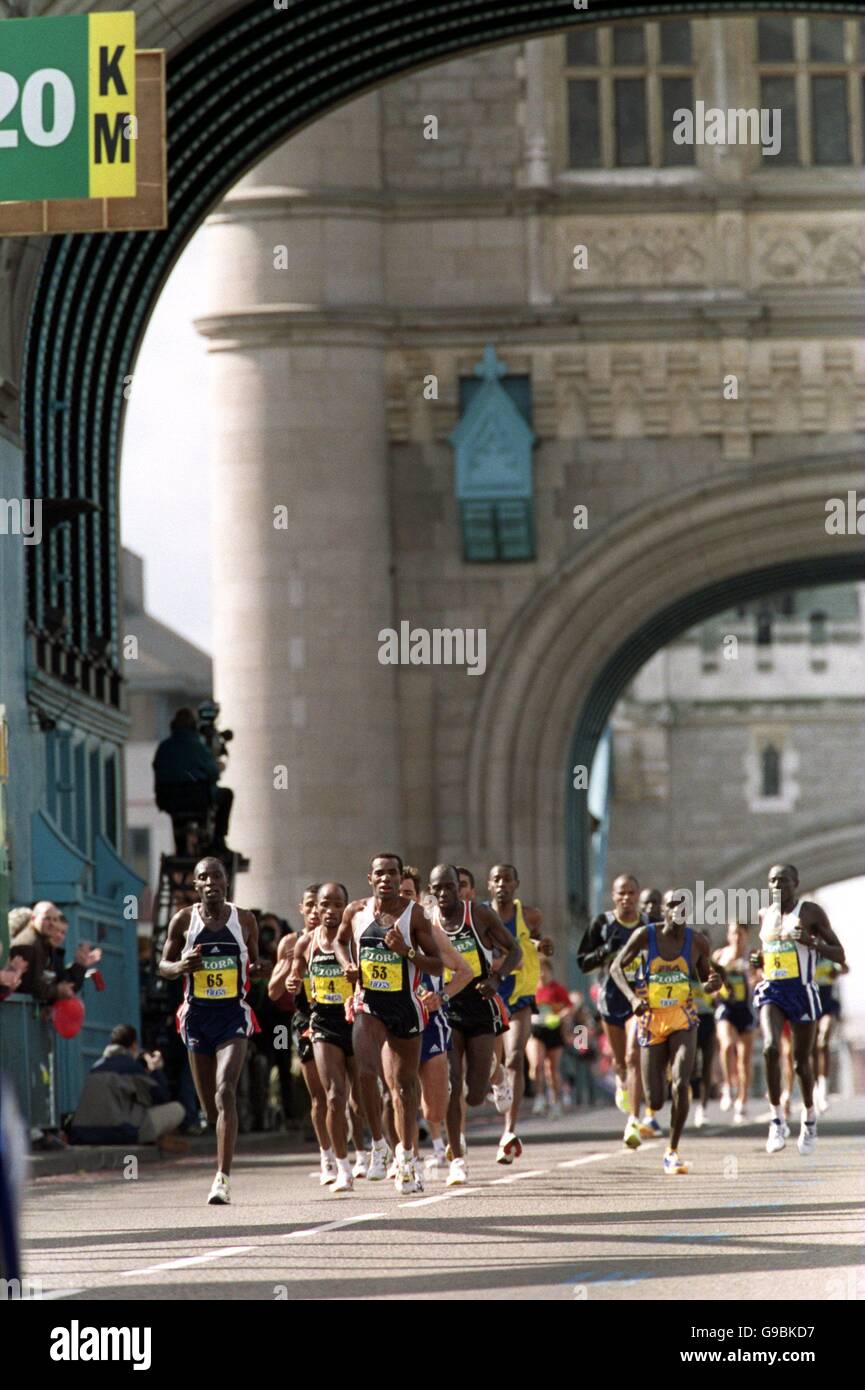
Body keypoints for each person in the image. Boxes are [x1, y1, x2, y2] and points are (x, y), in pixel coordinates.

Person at [333, 853, 443, 1195]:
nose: (386, 879)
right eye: (379, 873)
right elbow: (339, 942)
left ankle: (407, 1158)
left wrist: (407, 952)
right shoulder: (355, 911)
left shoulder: (416, 916)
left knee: (405, 1089)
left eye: (392, 873)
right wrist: (348, 964)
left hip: (405, 1008)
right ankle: (378, 1145)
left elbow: (438, 966)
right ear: (370, 878)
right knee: (365, 1072)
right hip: (369, 1003)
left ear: (399, 878)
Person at [159, 857, 262, 1204]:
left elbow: (256, 964)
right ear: (196, 886)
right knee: (211, 1109)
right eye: (203, 877)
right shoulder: (183, 920)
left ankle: (222, 1179)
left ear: (225, 881)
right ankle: (222, 1145)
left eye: (216, 875)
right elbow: (163, 966)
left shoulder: (244, 919)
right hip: (197, 1019)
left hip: (232, 1016)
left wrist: (261, 968)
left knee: (225, 1091)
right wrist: (181, 965)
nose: (211, 882)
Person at [611, 889, 725, 1175]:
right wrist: (633, 999)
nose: (677, 910)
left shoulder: (697, 942)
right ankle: (650, 1109)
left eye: (683, 906)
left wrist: (713, 982)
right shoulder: (645, 936)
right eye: (672, 905)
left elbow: (706, 977)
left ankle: (672, 1151)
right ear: (662, 910)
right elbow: (615, 968)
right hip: (650, 1020)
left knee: (680, 1082)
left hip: (682, 1019)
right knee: (656, 1099)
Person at [427, 864, 520, 1186]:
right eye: (436, 888)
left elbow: (515, 950)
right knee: (452, 1083)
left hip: (480, 1004)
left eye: (448, 887)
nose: (442, 894)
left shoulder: (478, 915)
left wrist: (496, 977)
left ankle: (496, 1072)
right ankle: (458, 1159)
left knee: (476, 1096)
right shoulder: (429, 922)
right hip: (448, 1007)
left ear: (460, 887)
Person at [752, 864, 846, 1156]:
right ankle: (777, 1119)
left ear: (795, 883)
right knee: (770, 1048)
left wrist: (812, 942)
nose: (777, 885)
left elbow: (840, 954)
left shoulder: (810, 913)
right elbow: (768, 954)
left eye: (783, 880)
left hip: (803, 992)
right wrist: (758, 960)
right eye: (772, 881)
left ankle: (809, 1118)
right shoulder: (764, 915)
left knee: (800, 1063)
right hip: (773, 991)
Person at [286, 883, 360, 1194]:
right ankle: (340, 1165)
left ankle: (375, 1150)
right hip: (323, 1021)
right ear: (314, 909)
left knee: (362, 1096)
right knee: (333, 1096)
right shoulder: (305, 942)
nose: (329, 911)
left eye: (337, 904)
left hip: (355, 1020)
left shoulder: (356, 939)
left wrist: (358, 979)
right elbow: (294, 975)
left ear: (347, 907)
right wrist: (292, 980)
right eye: (323, 905)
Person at [577, 873, 656, 1149]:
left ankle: (633, 1120)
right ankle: (621, 1080)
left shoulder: (648, 926)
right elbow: (582, 963)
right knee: (621, 1062)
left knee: (635, 1055)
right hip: (611, 999)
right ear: (614, 896)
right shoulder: (602, 924)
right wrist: (603, 952)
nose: (627, 898)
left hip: (639, 999)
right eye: (621, 893)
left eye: (631, 893)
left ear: (638, 896)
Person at [486, 863, 552, 1165]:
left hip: (521, 997)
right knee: (492, 1063)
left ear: (516, 883)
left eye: (507, 879)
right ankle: (498, 1084)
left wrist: (542, 945)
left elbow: (533, 938)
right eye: (497, 879)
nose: (502, 884)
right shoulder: (480, 915)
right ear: (489, 885)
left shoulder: (529, 915)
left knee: (514, 1057)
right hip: (489, 996)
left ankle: (509, 1132)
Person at [69, 1024, 185, 1146]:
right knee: (178, 1109)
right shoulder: (131, 1067)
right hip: (118, 1134)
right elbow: (161, 1097)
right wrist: (156, 1070)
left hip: (83, 1133)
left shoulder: (95, 1068)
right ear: (134, 1045)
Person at [152, 707, 233, 854]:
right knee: (227, 795)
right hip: (198, 801)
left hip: (170, 802)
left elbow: (158, 771)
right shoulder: (198, 747)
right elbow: (213, 774)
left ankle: (181, 847)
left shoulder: (163, 748)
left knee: (179, 814)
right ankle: (218, 841)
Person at [712, 921, 756, 1125]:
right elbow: (709, 983)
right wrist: (717, 989)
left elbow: (762, 976)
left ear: (746, 935)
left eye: (740, 933)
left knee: (744, 1059)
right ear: (728, 935)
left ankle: (742, 1100)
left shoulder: (752, 957)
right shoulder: (720, 956)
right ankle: (728, 1086)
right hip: (726, 1009)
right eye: (733, 933)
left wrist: (753, 980)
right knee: (727, 1044)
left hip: (746, 1010)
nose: (737, 937)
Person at [528, 958, 573, 1118]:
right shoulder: (530, 989)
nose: (542, 973)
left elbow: (570, 1007)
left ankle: (555, 1101)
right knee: (536, 1065)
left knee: (552, 1069)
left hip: (554, 1031)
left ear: (550, 972)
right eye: (539, 969)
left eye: (545, 970)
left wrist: (559, 1016)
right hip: (536, 1030)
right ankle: (539, 1097)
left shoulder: (557, 989)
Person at [813, 958, 848, 1113]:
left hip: (828, 1004)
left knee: (823, 1041)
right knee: (812, 1048)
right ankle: (814, 1087)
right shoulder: (807, 952)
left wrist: (838, 969)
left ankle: (823, 1087)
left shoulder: (828, 952)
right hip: (810, 1003)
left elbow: (845, 968)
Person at [689, 965, 717, 1129]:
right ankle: (686, 1104)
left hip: (707, 1018)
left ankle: (703, 1109)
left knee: (707, 1066)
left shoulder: (708, 967)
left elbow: (722, 984)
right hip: (689, 1020)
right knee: (690, 1068)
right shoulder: (681, 964)